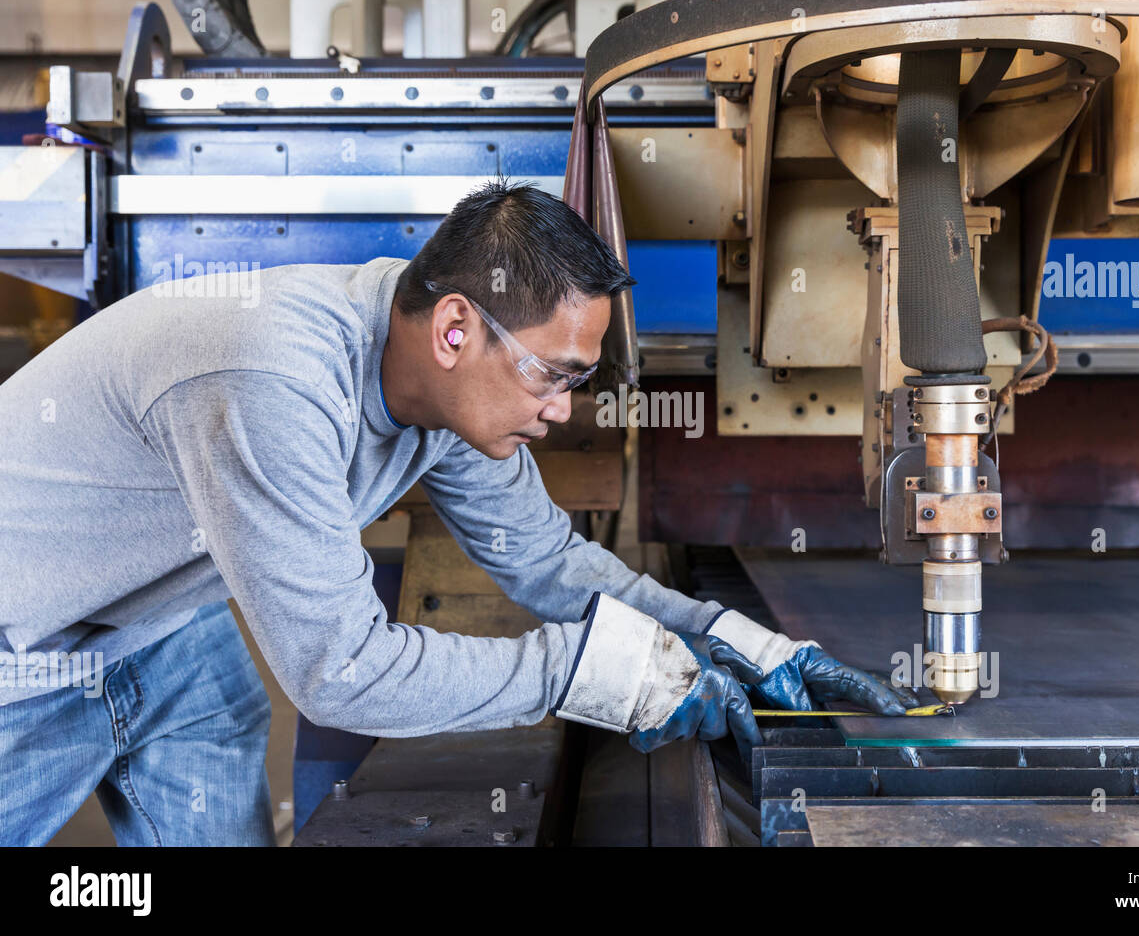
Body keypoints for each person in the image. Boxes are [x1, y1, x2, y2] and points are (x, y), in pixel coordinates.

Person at [0, 178, 918, 846]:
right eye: (553, 377)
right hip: (17, 657)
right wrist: (581, 676)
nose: (562, 411)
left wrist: (738, 641)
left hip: (170, 636)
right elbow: (342, 671)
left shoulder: (438, 390)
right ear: (454, 329)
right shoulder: (270, 379)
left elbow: (548, 564)